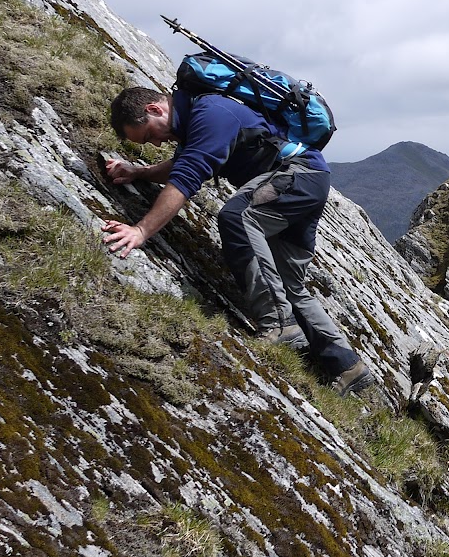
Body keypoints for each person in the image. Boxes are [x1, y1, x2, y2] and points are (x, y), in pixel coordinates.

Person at [102, 84, 375, 396]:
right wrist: (139, 172)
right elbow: (182, 163)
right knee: (288, 284)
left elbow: (189, 175)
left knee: (237, 217)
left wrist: (141, 231)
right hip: (306, 180)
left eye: (149, 134)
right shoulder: (199, 120)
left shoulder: (210, 113)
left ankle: (279, 325)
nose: (156, 142)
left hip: (296, 176)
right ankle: (347, 366)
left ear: (154, 109)